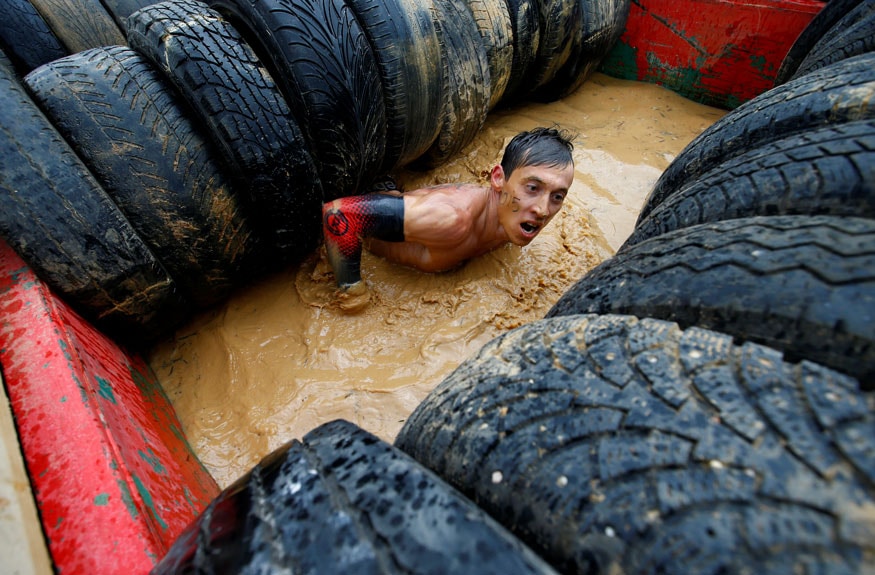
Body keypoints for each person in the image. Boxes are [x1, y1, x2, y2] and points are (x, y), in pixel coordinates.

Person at [321, 126, 575, 291]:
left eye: (557, 196)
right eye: (532, 188)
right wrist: (351, 291)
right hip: (372, 200)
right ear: (498, 178)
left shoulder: (511, 220)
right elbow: (339, 215)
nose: (543, 210)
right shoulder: (450, 218)